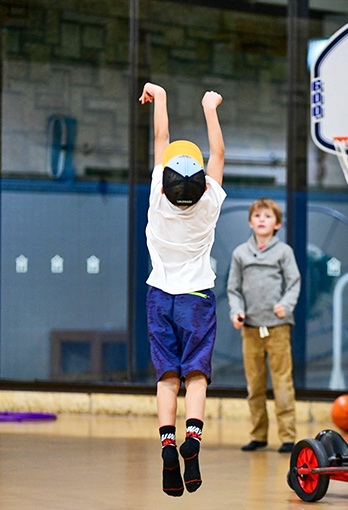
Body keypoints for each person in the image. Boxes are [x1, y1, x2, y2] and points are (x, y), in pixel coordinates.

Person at [139, 82, 226, 497]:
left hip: (160, 297)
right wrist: (211, 107)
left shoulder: (158, 198)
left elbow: (161, 138)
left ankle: (167, 442)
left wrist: (160, 96)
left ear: (166, 181)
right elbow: (220, 155)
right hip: (197, 299)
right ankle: (193, 436)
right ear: (203, 182)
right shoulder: (209, 203)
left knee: (167, 376)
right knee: (196, 375)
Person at [226, 198, 301, 454]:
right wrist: (236, 311)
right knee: (254, 384)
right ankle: (258, 434)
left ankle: (288, 436)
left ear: (277, 224)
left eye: (267, 216)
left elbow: (294, 283)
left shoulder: (284, 252)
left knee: (282, 383)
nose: (261, 220)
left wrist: (285, 305)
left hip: (278, 327)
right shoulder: (240, 254)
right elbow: (233, 289)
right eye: (257, 216)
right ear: (250, 222)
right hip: (250, 329)